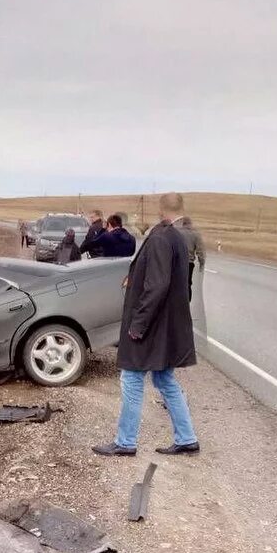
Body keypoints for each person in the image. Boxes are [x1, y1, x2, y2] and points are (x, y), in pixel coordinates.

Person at [92, 192, 199, 457]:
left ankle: (125, 442)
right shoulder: (177, 237)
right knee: (164, 379)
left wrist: (138, 324)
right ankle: (186, 438)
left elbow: (158, 285)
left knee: (131, 377)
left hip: (152, 325)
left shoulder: (162, 237)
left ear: (161, 209)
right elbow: (181, 284)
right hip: (166, 323)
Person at [173, 214, 206, 301]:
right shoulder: (195, 234)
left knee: (176, 283)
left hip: (177, 262)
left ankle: (175, 302)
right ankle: (186, 304)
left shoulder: (177, 232)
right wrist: (202, 263)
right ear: (191, 224)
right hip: (189, 263)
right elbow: (200, 251)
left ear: (183, 224)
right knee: (187, 283)